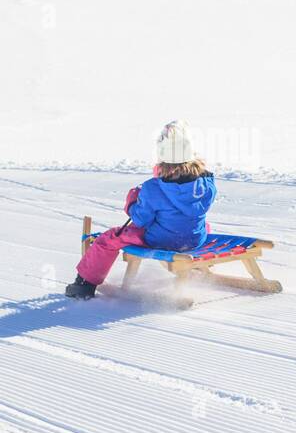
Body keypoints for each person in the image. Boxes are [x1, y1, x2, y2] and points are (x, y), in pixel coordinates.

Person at [66, 120, 217, 300]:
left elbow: (140, 220)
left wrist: (132, 202)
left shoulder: (152, 188)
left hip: (161, 240)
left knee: (109, 238)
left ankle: (84, 284)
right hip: (195, 239)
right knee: (192, 221)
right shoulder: (207, 183)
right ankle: (195, 267)